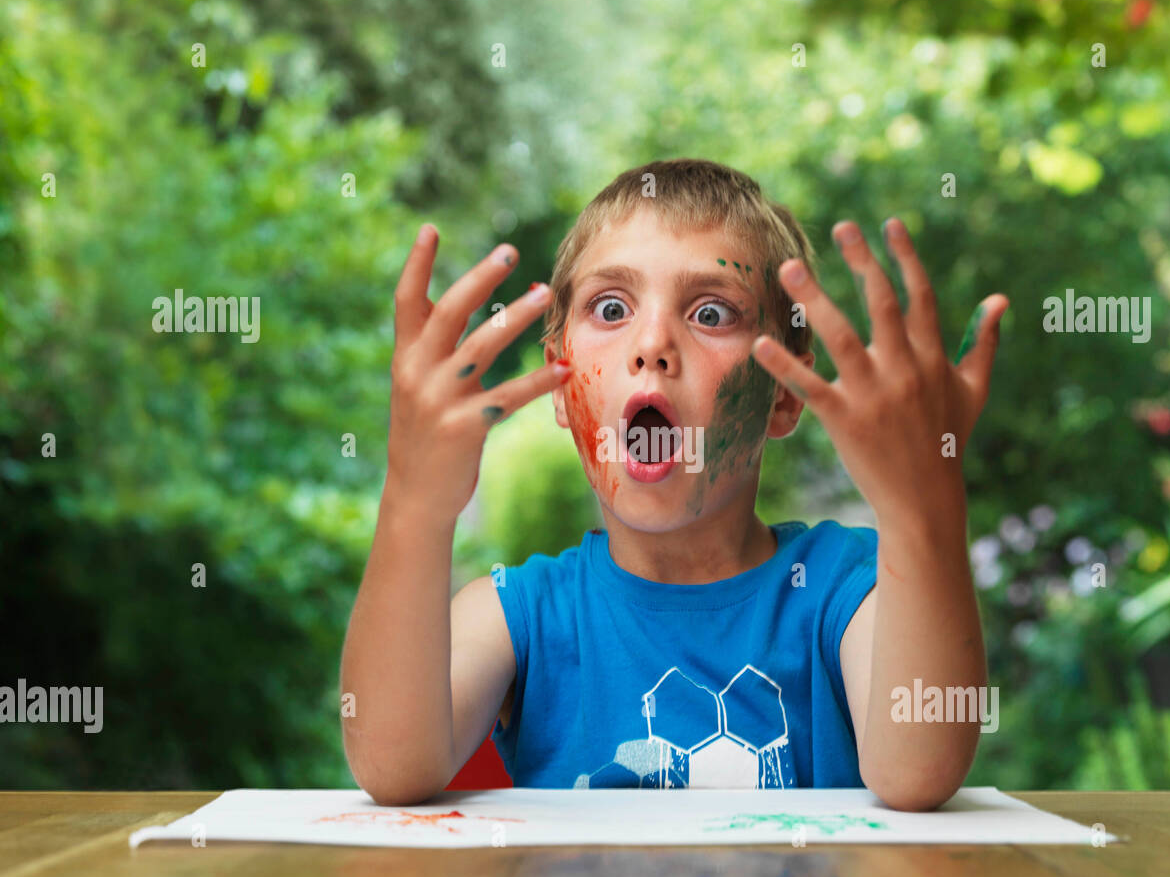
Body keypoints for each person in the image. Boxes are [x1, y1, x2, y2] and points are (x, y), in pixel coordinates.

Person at [341, 158, 1008, 806]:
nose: (653, 342)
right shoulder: (525, 612)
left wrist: (925, 504)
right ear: (559, 381)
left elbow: (920, 766)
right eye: (610, 308)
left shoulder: (844, 588)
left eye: (711, 313)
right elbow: (393, 765)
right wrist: (414, 501)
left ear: (783, 394)